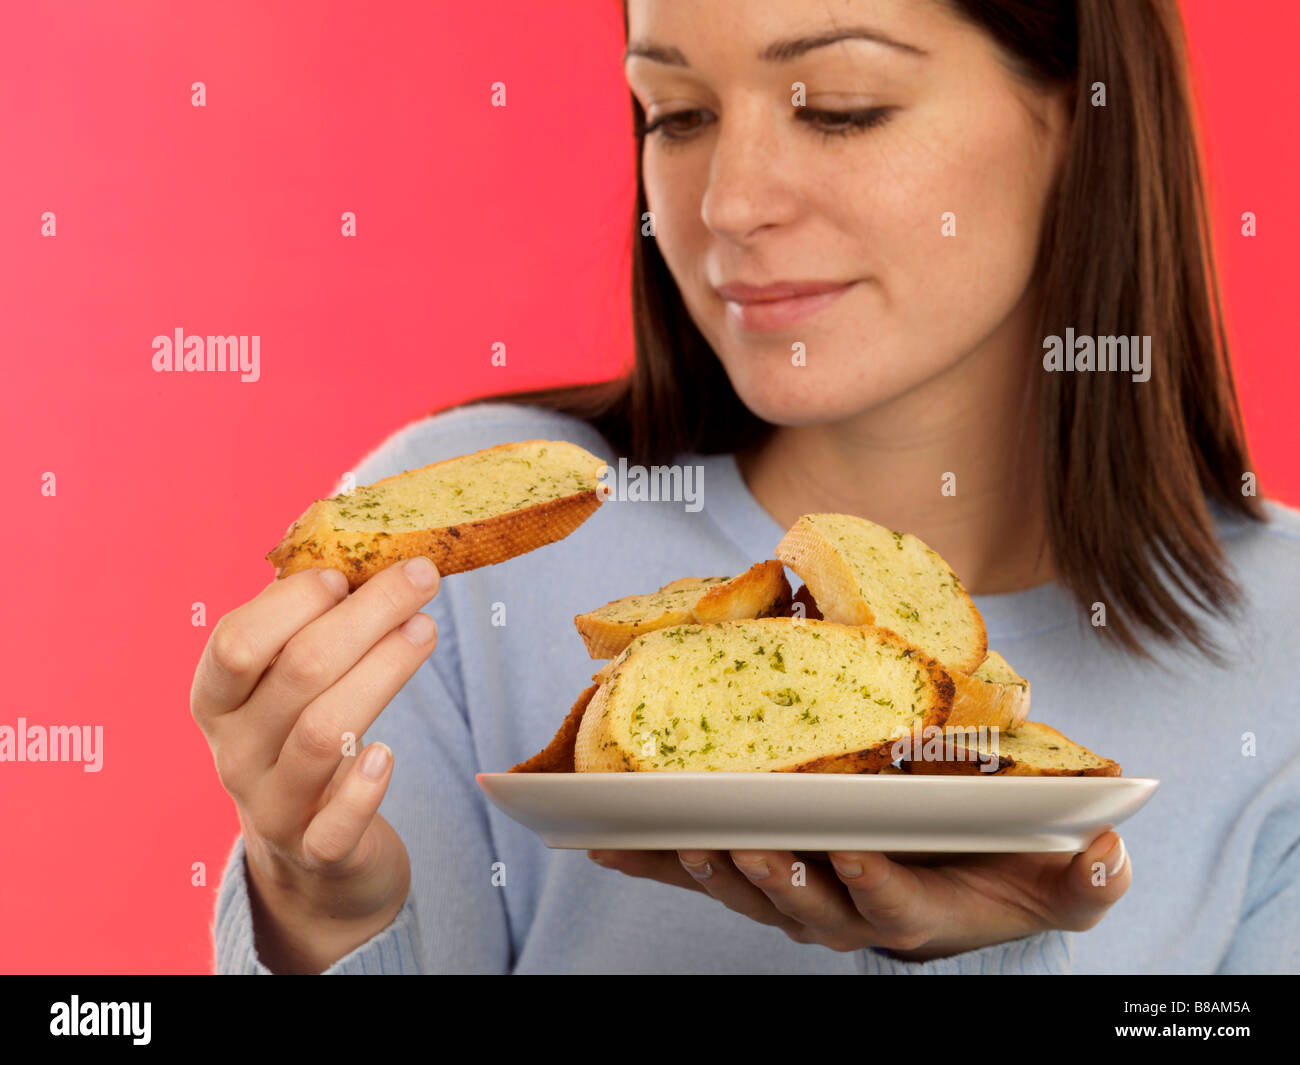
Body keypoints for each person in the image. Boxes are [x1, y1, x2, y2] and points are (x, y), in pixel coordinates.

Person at [192, 0, 1300, 973]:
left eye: (840, 107)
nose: (728, 203)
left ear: (1077, 113)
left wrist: (982, 960)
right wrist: (319, 909)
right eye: (675, 114)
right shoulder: (472, 562)